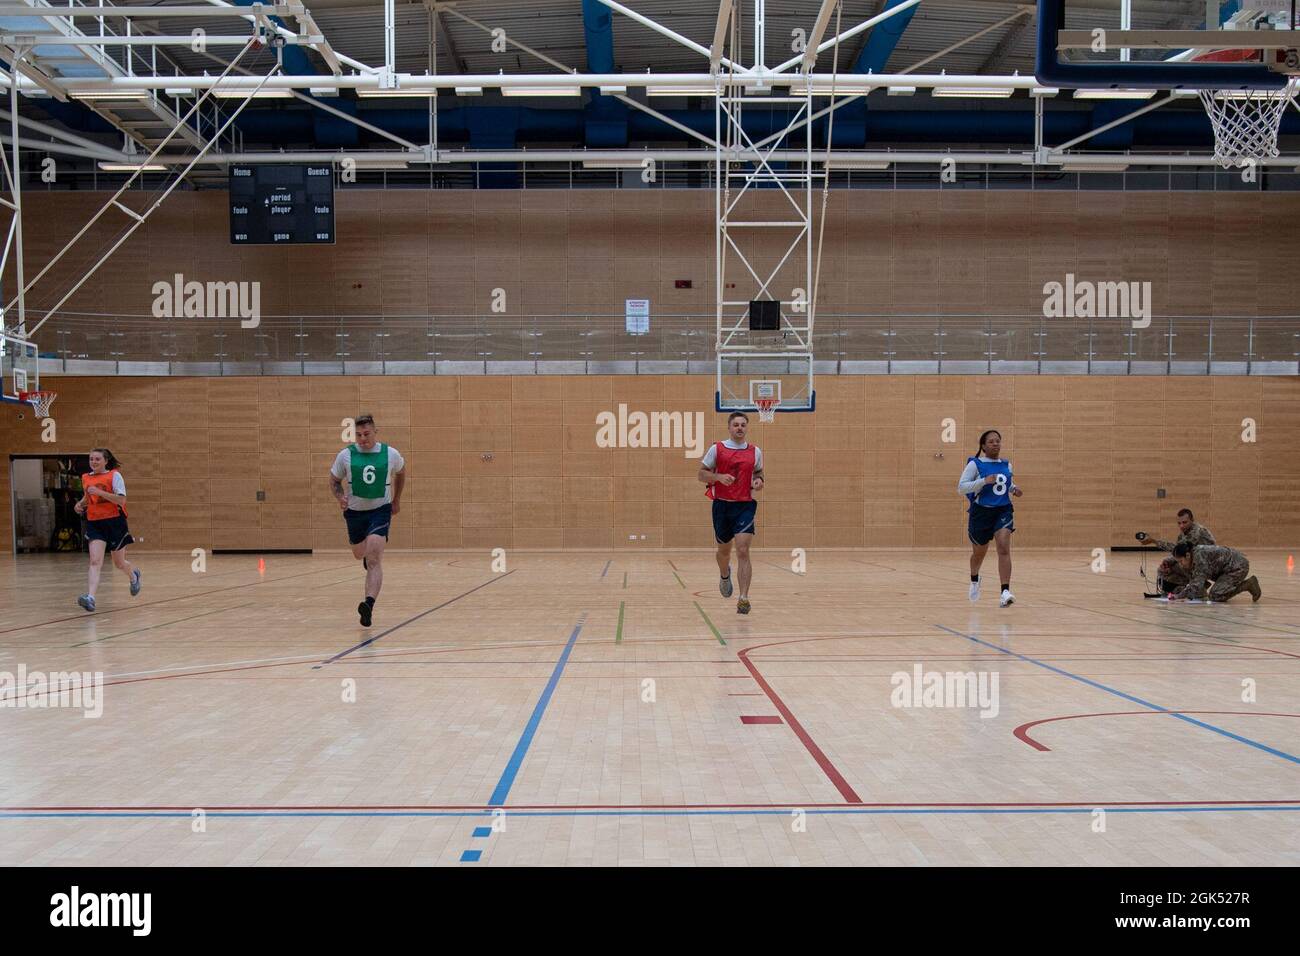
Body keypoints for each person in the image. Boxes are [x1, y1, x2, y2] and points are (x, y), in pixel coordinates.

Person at [329, 414, 406, 627]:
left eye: (367, 434)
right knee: (359, 553)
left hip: (380, 510)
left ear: (375, 432)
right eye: (359, 435)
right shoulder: (346, 456)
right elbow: (334, 480)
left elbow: (401, 472)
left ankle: (368, 606)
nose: (363, 439)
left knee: (374, 558)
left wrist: (396, 499)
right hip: (355, 513)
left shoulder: (390, 454)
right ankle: (365, 555)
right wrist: (339, 496)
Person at [698, 411, 764, 615]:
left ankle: (743, 598)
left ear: (747, 427)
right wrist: (717, 477)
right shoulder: (716, 449)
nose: (739, 428)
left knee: (743, 550)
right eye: (736, 424)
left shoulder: (755, 452)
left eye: (743, 425)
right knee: (724, 552)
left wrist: (759, 481)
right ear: (729, 427)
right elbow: (701, 474)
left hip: (744, 505)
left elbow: (759, 472)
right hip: (722, 506)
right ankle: (724, 574)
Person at [957, 429, 1023, 608]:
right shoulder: (975, 464)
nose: (995, 444)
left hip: (1003, 510)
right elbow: (961, 488)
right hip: (981, 513)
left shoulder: (1007, 465)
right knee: (979, 553)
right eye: (991, 441)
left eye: (998, 441)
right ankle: (974, 579)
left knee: (1003, 547)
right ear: (984, 446)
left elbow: (1004, 483)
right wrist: (983, 481)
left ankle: (1005, 591)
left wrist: (1014, 489)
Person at [73, 448, 141, 612]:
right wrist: (80, 504)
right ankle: (90, 598)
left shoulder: (114, 476)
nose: (93, 462)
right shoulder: (85, 478)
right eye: (91, 459)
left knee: (119, 563)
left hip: (114, 522)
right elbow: (88, 497)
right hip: (95, 523)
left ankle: (133, 576)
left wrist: (100, 491)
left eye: (97, 459)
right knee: (95, 561)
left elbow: (121, 500)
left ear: (105, 461)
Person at [1140, 508, 1215, 595]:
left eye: (1184, 522)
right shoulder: (1183, 533)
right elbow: (1178, 553)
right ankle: (1184, 588)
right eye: (1179, 523)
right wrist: (1168, 562)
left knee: (1176, 566)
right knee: (1165, 568)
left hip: (1206, 566)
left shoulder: (1197, 531)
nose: (1181, 526)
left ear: (1192, 520)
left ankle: (1200, 586)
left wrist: (1154, 541)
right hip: (1195, 562)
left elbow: (1176, 548)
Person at [1169, 542, 1261, 603]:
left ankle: (1248, 584)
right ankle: (1205, 589)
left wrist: (1179, 596)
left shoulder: (1199, 558)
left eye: (1181, 561)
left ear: (1187, 555)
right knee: (1192, 574)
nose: (1180, 564)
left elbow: (1196, 584)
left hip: (1237, 567)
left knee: (1215, 595)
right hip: (1226, 569)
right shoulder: (1194, 555)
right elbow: (1196, 580)